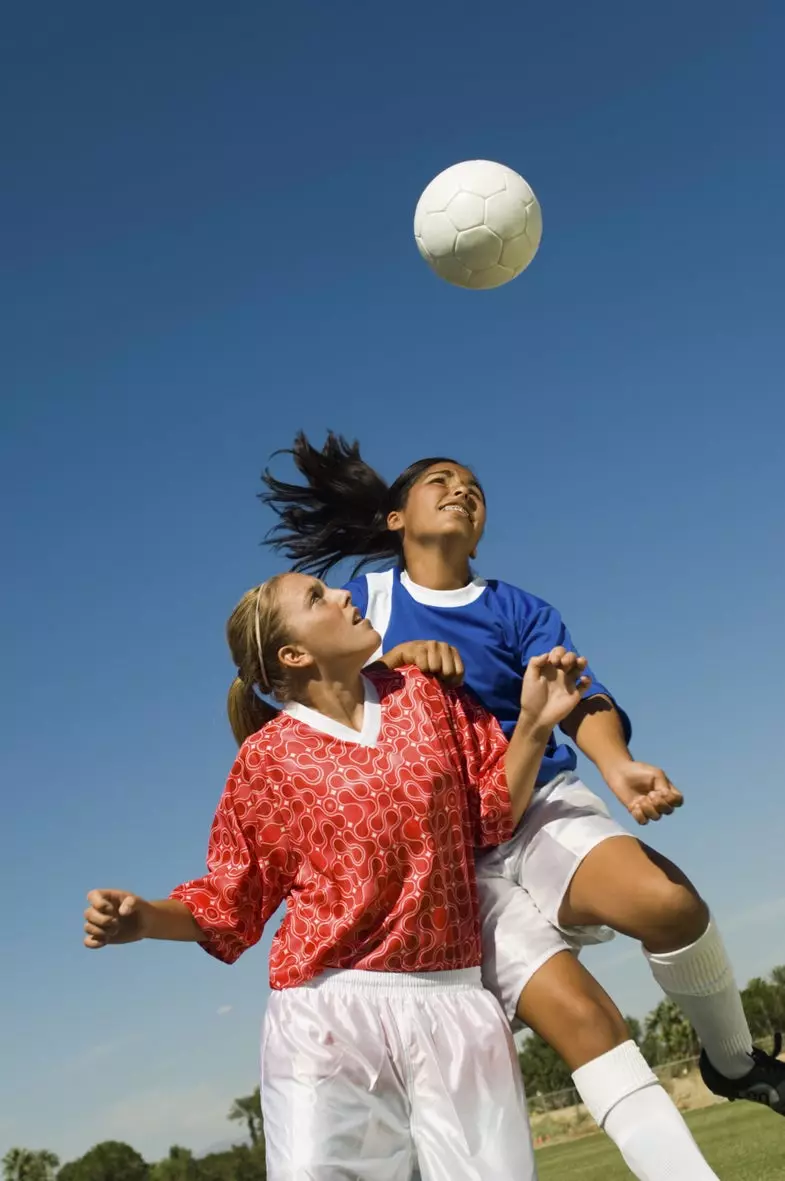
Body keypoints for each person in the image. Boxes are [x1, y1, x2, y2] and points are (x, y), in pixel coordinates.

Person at [261, 431, 785, 1181]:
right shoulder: (364, 603)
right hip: (441, 862)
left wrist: (619, 764)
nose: (460, 488)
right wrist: (397, 660)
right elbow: (305, 690)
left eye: (472, 483)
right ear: (393, 519)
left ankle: (733, 1062)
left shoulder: (517, 609)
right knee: (585, 1023)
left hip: (535, 801)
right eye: (438, 479)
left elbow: (579, 693)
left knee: (665, 903)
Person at [83, 571, 592, 1180]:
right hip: (329, 1016)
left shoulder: (427, 697)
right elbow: (228, 905)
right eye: (318, 598)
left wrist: (535, 723)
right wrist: (141, 919)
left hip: (456, 1000)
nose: (346, 595)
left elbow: (490, 818)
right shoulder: (265, 762)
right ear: (293, 655)